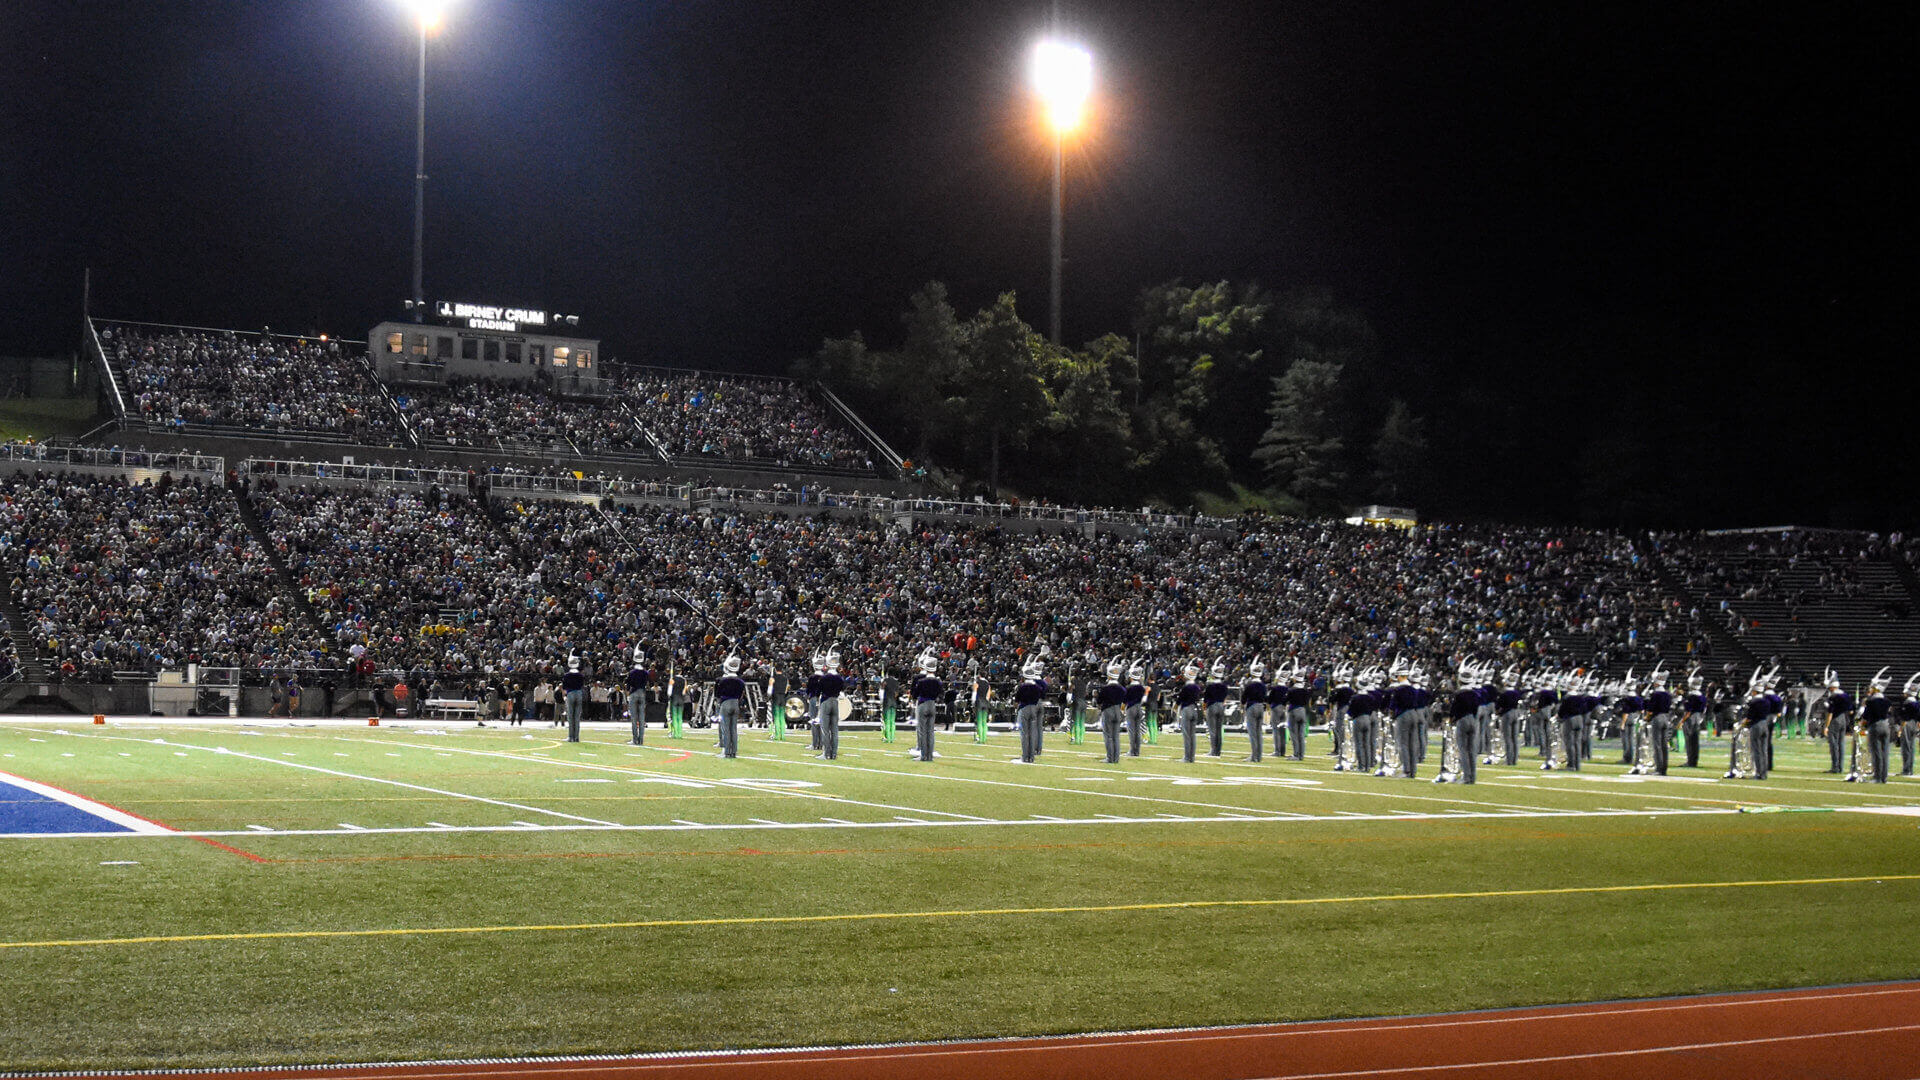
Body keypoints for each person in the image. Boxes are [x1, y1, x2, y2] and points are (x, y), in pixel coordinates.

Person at [910, 649, 944, 762]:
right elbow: (940, 693)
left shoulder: (921, 682)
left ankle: (923, 755)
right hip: (932, 705)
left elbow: (914, 695)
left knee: (922, 731)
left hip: (922, 704)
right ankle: (930, 756)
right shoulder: (938, 682)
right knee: (930, 732)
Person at [1014, 655, 1048, 764]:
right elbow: (1043, 694)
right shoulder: (1039, 685)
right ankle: (1033, 755)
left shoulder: (1023, 686)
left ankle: (1025, 756)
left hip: (1024, 708)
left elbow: (1017, 699)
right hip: (1035, 707)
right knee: (1034, 731)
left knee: (1024, 734)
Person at [815, 646, 847, 760]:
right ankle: (834, 753)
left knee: (825, 730)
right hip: (835, 701)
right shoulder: (840, 678)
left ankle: (826, 753)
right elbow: (842, 689)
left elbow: (818, 691)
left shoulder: (824, 678)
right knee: (834, 730)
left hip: (826, 701)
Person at [1095, 657, 1127, 764]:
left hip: (1107, 711)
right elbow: (1125, 701)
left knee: (1108, 736)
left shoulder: (1105, 688)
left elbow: (1099, 701)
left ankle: (1110, 758)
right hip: (1118, 711)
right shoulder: (1122, 689)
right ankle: (1116, 758)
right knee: (1116, 736)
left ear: (1109, 675)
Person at [715, 653, 746, 759]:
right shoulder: (741, 682)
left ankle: (726, 752)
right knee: (734, 729)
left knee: (725, 728)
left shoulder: (723, 680)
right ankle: (734, 752)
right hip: (735, 703)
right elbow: (741, 695)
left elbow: (718, 694)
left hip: (725, 703)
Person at [1821, 671, 1853, 774]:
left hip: (1835, 720)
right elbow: (1851, 710)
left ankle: (1835, 767)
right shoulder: (1845, 695)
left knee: (1833, 744)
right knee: (1841, 744)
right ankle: (1840, 766)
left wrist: (1826, 726)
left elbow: (1830, 713)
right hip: (1844, 719)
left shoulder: (1833, 697)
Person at [1174, 660, 1203, 763]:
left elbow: (1180, 699)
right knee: (1192, 735)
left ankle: (1187, 757)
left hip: (1186, 709)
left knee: (1187, 735)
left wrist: (1175, 707)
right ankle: (1192, 757)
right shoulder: (1197, 686)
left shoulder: (1186, 687)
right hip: (1194, 709)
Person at [1239, 657, 1267, 764]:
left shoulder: (1250, 685)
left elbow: (1244, 698)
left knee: (1253, 733)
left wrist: (1242, 706)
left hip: (1252, 707)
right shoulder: (1263, 685)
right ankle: (1258, 756)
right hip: (1261, 707)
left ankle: (1254, 756)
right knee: (1259, 733)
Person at [1202, 657, 1230, 758]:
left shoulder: (1210, 685)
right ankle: (1218, 751)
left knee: (1212, 730)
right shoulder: (1224, 686)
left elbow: (1205, 699)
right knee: (1219, 730)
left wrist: (1204, 709)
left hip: (1212, 706)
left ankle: (1213, 751)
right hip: (1221, 706)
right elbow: (1225, 698)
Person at [1124, 657, 1150, 757]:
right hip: (1139, 708)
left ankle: (1132, 751)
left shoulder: (1129, 687)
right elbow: (1144, 700)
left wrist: (1122, 710)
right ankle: (1137, 751)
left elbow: (1125, 701)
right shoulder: (1142, 687)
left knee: (1131, 731)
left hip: (1131, 709)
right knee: (1138, 731)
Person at [627, 646, 652, 745]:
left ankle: (635, 739)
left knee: (634, 718)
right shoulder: (645, 672)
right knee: (642, 718)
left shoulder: (632, 672)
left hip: (634, 692)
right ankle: (641, 739)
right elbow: (647, 682)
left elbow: (629, 683)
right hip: (642, 692)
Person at [562, 654, 586, 742]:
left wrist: (565, 696)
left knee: (570, 716)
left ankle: (570, 736)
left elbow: (564, 688)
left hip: (570, 693)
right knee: (577, 717)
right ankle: (576, 737)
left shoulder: (567, 675)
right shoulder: (580, 675)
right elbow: (581, 685)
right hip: (579, 693)